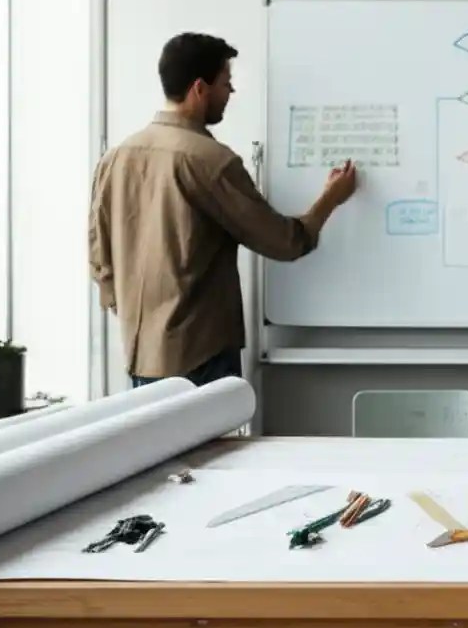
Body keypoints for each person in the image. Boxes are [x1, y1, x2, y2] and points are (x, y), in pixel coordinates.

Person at [89, 32, 358, 388]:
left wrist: (136, 316)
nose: (230, 93)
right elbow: (286, 242)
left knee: (160, 445)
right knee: (213, 446)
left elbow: (98, 259)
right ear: (200, 88)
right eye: (226, 83)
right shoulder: (210, 161)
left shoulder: (115, 158)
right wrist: (331, 198)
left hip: (140, 357)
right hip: (200, 360)